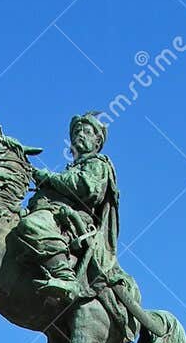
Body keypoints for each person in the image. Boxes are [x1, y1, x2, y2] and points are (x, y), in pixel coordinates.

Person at [16, 113, 123, 307]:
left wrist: (48, 178)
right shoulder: (71, 168)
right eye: (76, 132)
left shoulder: (97, 163)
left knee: (32, 225)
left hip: (73, 222)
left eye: (85, 131)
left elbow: (88, 188)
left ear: (97, 140)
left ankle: (66, 279)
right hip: (51, 212)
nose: (79, 134)